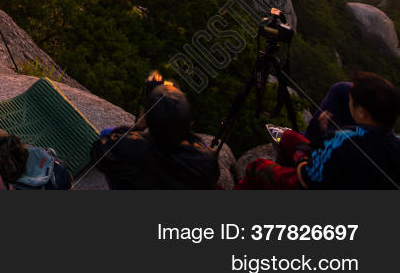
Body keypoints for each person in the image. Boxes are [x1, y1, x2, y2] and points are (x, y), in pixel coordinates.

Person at [238, 73, 400, 190]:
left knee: (257, 167)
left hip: (313, 185)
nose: (349, 104)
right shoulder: (393, 143)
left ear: (362, 112)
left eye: (351, 101)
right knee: (288, 137)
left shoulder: (345, 139)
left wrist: (301, 157)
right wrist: (328, 133)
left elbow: (308, 177)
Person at [89, 73, 220, 189]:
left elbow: (98, 149)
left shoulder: (131, 149)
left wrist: (139, 127)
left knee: (106, 133)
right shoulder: (206, 160)